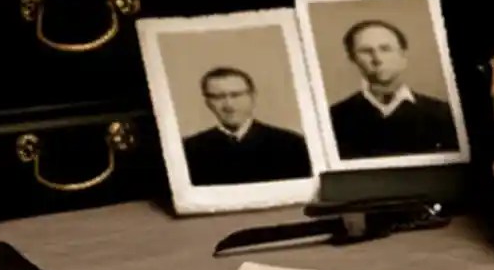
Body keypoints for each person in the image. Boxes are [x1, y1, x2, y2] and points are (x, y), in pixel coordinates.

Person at [329, 19, 459, 160]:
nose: (377, 59)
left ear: (403, 55)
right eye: (366, 51)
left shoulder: (446, 114)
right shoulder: (333, 119)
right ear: (352, 58)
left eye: (385, 49)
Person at [182, 66, 312, 186]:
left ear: (252, 97)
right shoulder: (188, 151)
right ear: (207, 102)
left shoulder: (292, 145)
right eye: (218, 97)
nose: (229, 105)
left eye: (236, 95)